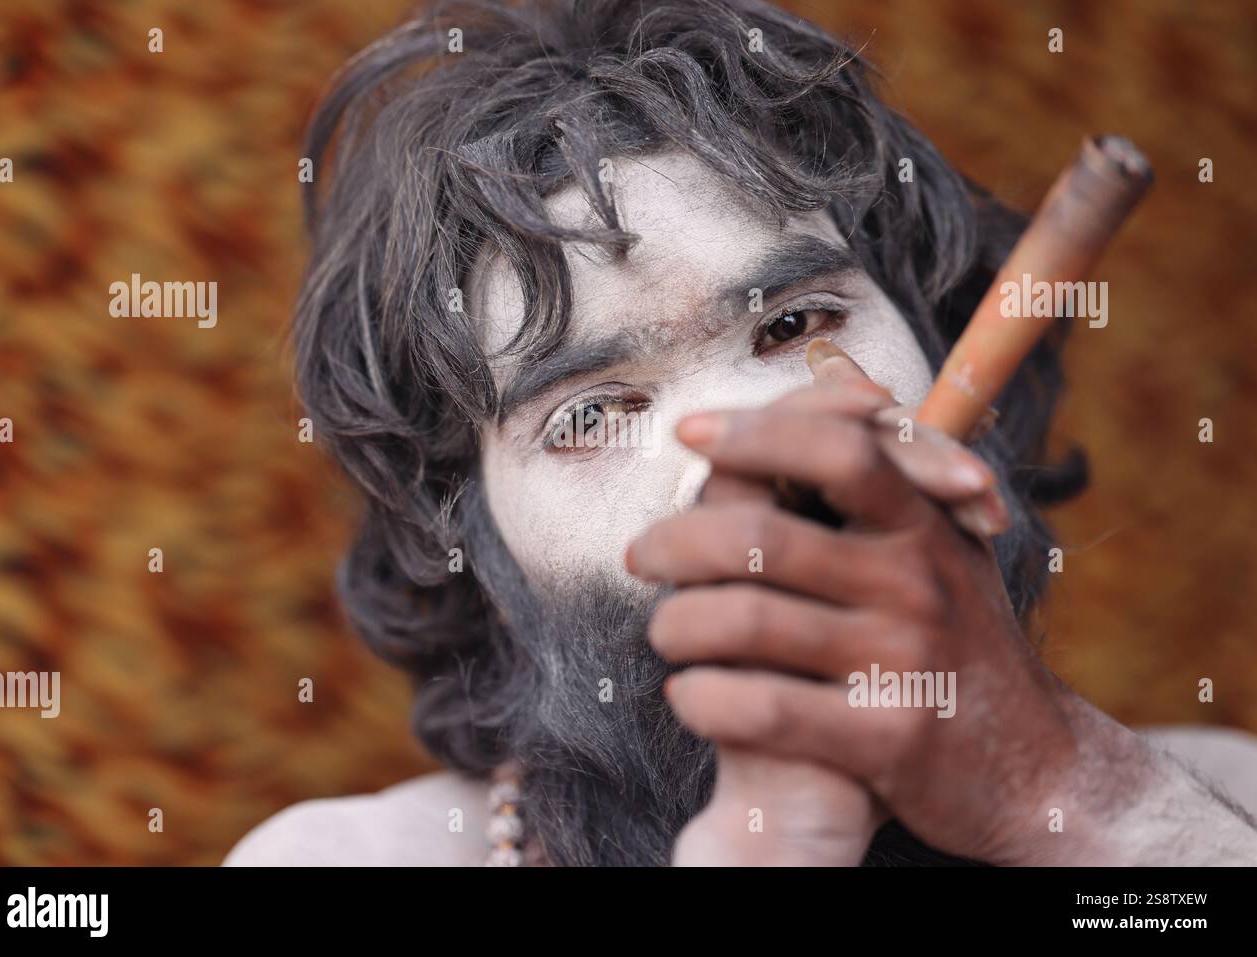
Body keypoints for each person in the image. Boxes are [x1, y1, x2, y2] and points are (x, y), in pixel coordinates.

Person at [225, 0, 1257, 866]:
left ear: (946, 351)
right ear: (474, 549)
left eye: (795, 324)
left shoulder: (1204, 805)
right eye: (587, 414)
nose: (744, 455)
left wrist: (1075, 795)